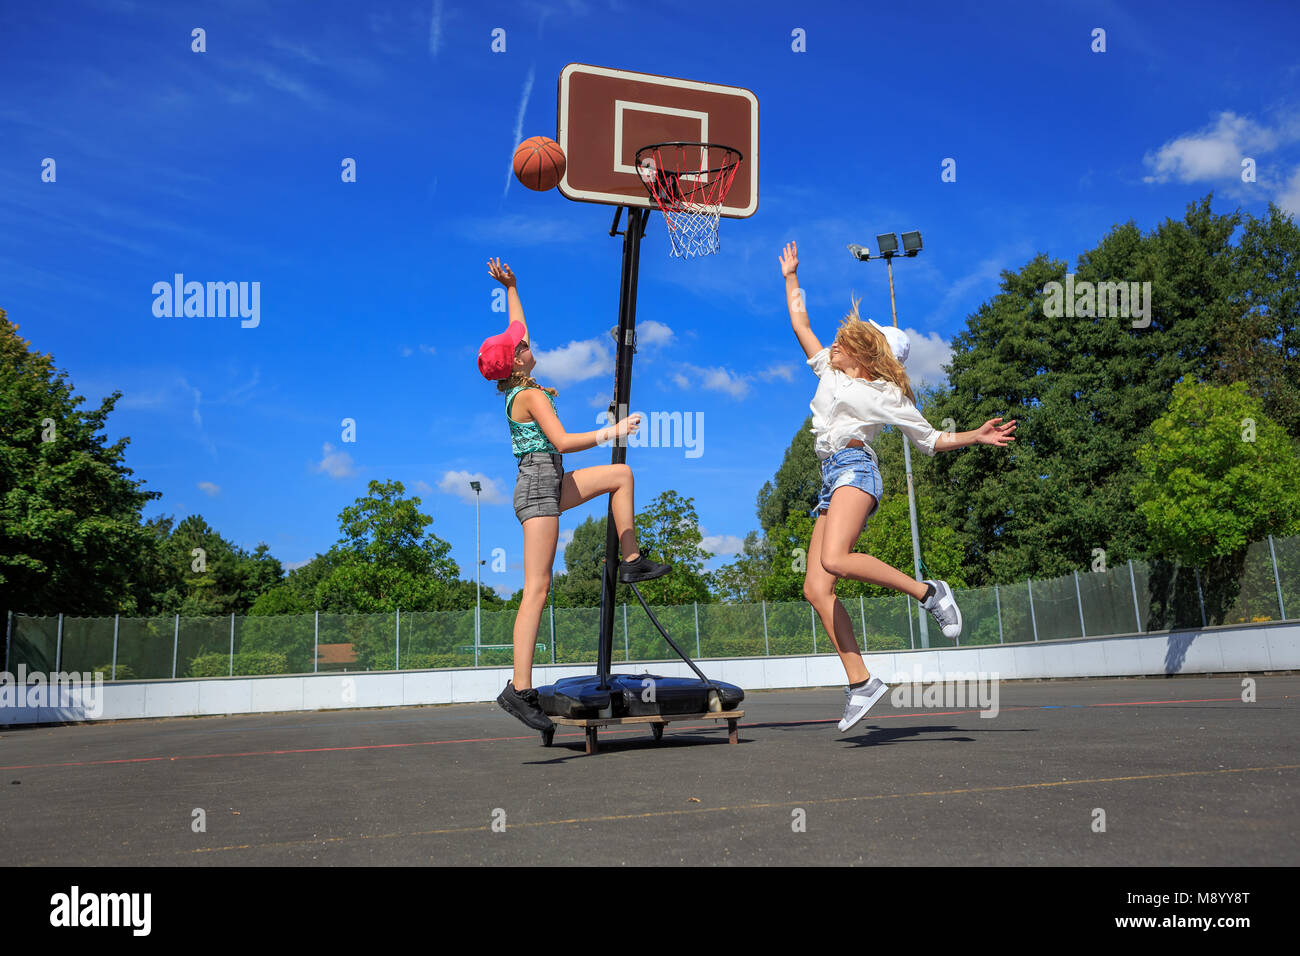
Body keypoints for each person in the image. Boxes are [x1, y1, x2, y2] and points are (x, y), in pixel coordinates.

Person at [779, 241, 1016, 732]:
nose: (834, 345)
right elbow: (801, 323)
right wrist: (791, 278)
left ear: (865, 354)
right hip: (830, 478)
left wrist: (974, 434)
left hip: (856, 470)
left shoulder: (882, 395)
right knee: (816, 588)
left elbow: (929, 439)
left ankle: (929, 592)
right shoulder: (829, 368)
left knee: (835, 560)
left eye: (846, 343)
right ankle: (862, 681)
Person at [478, 257, 671, 732]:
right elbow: (562, 442)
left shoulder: (517, 385)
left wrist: (513, 286)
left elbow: (516, 324)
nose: (526, 342)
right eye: (521, 346)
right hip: (540, 484)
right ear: (516, 361)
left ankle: (631, 560)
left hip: (546, 478)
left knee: (620, 476)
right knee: (537, 589)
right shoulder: (532, 396)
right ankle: (518, 690)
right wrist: (614, 429)